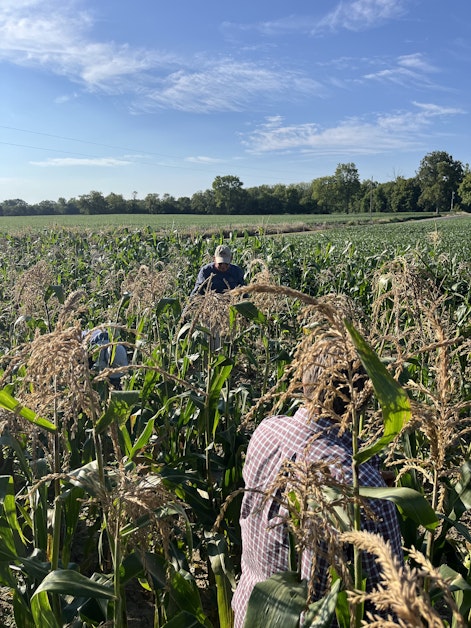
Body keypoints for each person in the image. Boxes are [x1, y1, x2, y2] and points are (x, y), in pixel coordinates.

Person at [231, 336, 403, 627]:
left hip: (253, 612)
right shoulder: (360, 486)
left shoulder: (265, 432)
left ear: (304, 382)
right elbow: (390, 600)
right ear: (363, 397)